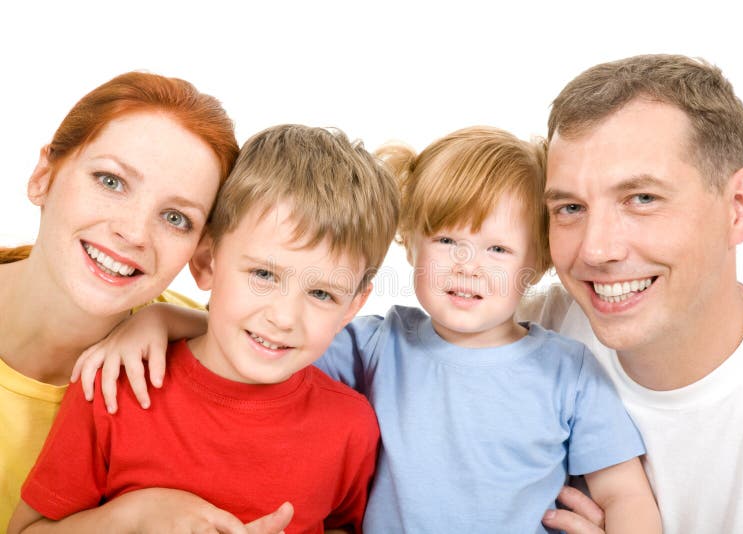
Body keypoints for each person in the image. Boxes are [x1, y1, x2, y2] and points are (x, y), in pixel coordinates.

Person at [77, 126, 661, 533]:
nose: (467, 266)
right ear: (410, 245)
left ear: (537, 263)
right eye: (447, 239)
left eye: (498, 249)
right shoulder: (381, 343)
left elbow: (624, 492)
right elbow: (266, 335)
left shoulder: (566, 370)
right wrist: (159, 317)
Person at [9, 124, 399, 534]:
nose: (285, 318)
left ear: (354, 305)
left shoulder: (352, 427)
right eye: (263, 275)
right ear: (207, 262)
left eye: (321, 294)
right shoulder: (114, 384)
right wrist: (132, 517)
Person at [521, 54, 743, 534]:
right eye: (570, 207)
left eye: (642, 199)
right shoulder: (519, 336)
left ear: (738, 208)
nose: (596, 250)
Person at [0, 71, 251, 531]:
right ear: (43, 177)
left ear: (201, 250)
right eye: (111, 181)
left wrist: (167, 319)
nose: (134, 232)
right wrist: (124, 519)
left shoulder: (201, 358)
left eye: (175, 217)